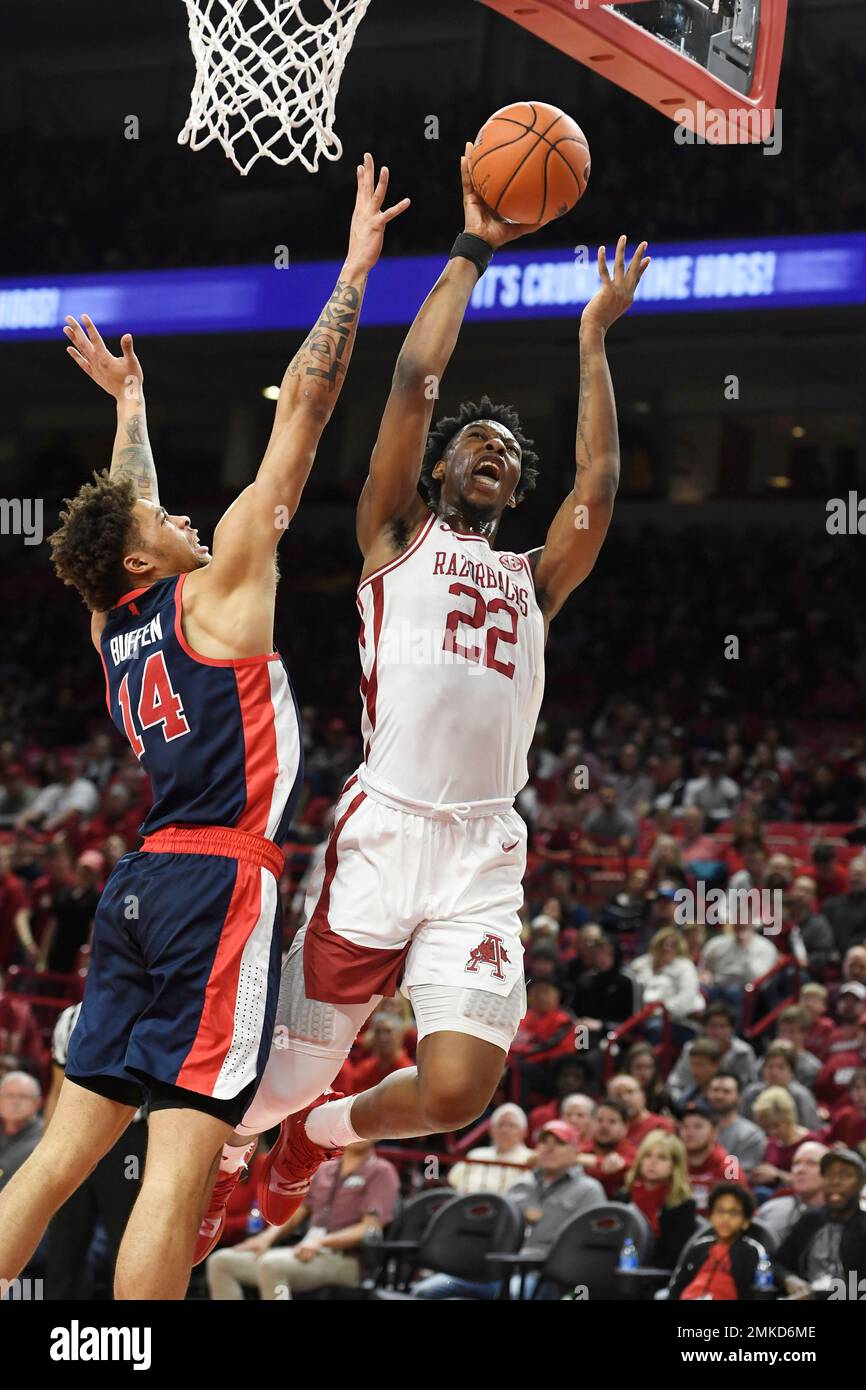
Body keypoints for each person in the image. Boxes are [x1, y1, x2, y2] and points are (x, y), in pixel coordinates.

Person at [200, 168, 651, 1241]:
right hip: (383, 832)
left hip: (483, 850)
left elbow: (597, 484)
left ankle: (323, 1137)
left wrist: (591, 335)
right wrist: (471, 244)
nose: (490, 455)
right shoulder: (395, 536)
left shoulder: (534, 577)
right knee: (263, 1093)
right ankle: (234, 1152)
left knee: (458, 1093)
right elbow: (411, 379)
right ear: (440, 467)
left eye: (506, 454)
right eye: (473, 445)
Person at [0, 156, 407, 1301]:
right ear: (143, 556)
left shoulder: (111, 625)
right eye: (161, 514)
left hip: (140, 883)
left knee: (59, 1156)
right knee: (174, 1168)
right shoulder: (223, 581)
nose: (182, 508)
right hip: (217, 886)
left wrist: (129, 409)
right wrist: (354, 271)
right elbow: (308, 412)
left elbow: (115, 533)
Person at [413, 1119, 606, 1300]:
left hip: (543, 1276)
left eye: (560, 1143)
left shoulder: (589, 1190)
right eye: (544, 1142)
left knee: (512, 1295)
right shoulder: (521, 1183)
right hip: (492, 1271)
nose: (550, 1148)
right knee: (424, 1290)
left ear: (575, 1151)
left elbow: (589, 1250)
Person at [206, 1140, 399, 1300]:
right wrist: (265, 1238)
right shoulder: (325, 1169)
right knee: (221, 1262)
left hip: (346, 1260)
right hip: (304, 1251)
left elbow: (369, 1228)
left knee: (273, 1265)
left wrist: (321, 1242)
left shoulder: (382, 1172)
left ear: (377, 1135)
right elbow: (296, 1214)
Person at [774, 1149, 866, 1299]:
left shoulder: (863, 1228)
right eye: (829, 1175)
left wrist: (815, 1296)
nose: (835, 1181)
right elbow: (777, 1263)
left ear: (861, 1182)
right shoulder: (810, 1220)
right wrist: (788, 1278)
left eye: (845, 1175)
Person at [668, 1182, 764, 1301]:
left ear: (745, 1221)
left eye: (733, 1213)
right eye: (720, 1211)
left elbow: (759, 1291)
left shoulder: (752, 1252)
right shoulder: (698, 1248)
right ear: (710, 1216)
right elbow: (675, 1287)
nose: (725, 1218)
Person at [618, 1130, 697, 1270]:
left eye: (662, 1158)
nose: (652, 1162)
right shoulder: (623, 1196)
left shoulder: (683, 1205)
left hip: (656, 1279)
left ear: (674, 1166)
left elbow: (675, 1258)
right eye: (647, 1156)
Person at [628, 926, 704, 1042]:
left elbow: (686, 999)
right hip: (640, 1016)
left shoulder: (685, 966)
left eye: (672, 944)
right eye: (662, 943)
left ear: (679, 948)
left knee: (654, 1028)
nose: (666, 948)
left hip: (676, 1021)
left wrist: (658, 1012)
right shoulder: (643, 964)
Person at [447, 1103, 534, 1195]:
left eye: (511, 1125)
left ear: (524, 1132)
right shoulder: (476, 1155)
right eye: (500, 1125)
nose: (505, 1130)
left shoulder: (531, 1158)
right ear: (491, 1130)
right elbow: (453, 1180)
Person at [756, 1140, 829, 1246]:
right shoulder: (771, 1208)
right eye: (796, 1163)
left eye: (811, 1163)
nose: (800, 1169)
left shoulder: (842, 1216)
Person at [749, 1088, 817, 1200]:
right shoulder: (771, 1143)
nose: (772, 1132)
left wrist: (778, 1175)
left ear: (789, 1118)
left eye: (776, 1126)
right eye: (767, 1127)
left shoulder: (810, 1142)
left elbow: (815, 1180)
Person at [740, 1042, 821, 1130]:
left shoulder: (801, 1096)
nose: (774, 1072)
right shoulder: (752, 1093)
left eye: (781, 1067)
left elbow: (811, 1129)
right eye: (770, 1066)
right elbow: (743, 1127)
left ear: (792, 1072)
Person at [706, 1073, 767, 1179]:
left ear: (739, 1097)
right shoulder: (696, 1128)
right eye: (715, 1090)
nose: (719, 1096)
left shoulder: (751, 1135)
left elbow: (736, 1177)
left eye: (726, 1091)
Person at [574, 1097, 636, 1199]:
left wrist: (589, 1161)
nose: (604, 1126)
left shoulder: (632, 1153)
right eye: (599, 1120)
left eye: (612, 1121)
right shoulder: (582, 1149)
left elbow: (624, 1165)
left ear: (625, 1127)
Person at [678, 1101, 734, 1212]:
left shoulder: (729, 1167)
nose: (689, 1132)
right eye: (685, 1126)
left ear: (714, 1132)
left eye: (698, 1127)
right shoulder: (672, 1163)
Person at [0, 1071, 43, 1193]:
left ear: (37, 1103)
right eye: (9, 1096)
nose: (15, 1102)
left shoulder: (45, 1137)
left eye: (23, 1096)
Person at [607, 1073, 675, 1147]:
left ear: (642, 1095)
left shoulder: (661, 1126)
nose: (625, 1099)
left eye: (630, 1092)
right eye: (618, 1095)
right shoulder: (606, 1128)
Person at [822, 857, 866, 956]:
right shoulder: (831, 905)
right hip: (832, 956)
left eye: (859, 874)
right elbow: (825, 931)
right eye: (853, 874)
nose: (855, 878)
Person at [823, 1067, 866, 1152]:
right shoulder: (844, 1116)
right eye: (857, 1088)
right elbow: (826, 1140)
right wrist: (834, 1146)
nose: (861, 1094)